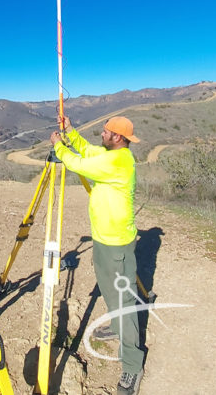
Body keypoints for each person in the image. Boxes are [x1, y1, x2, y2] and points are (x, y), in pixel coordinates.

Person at [50, 115, 145, 395]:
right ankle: (116, 326)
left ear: (118, 137)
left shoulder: (118, 162)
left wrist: (58, 146)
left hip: (116, 244)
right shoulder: (110, 154)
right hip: (103, 240)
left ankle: (132, 366)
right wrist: (70, 131)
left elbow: (79, 163)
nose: (101, 134)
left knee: (124, 301)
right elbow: (88, 151)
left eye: (105, 131)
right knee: (110, 290)